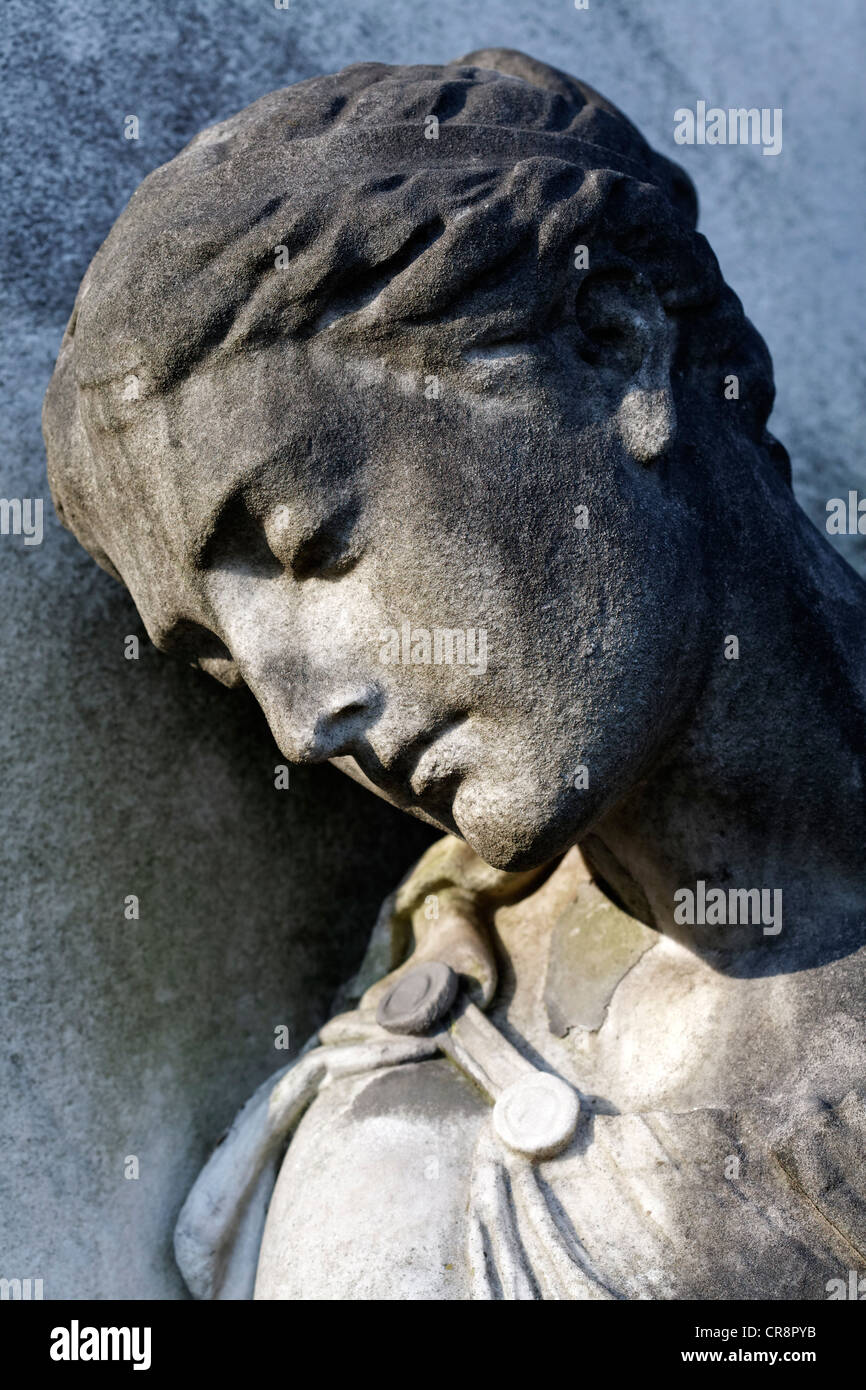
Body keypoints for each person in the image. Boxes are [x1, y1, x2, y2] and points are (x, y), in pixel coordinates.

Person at [44, 48, 866, 1300]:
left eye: (311, 547)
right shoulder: (417, 1179)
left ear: (610, 346)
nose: (302, 722)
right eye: (221, 662)